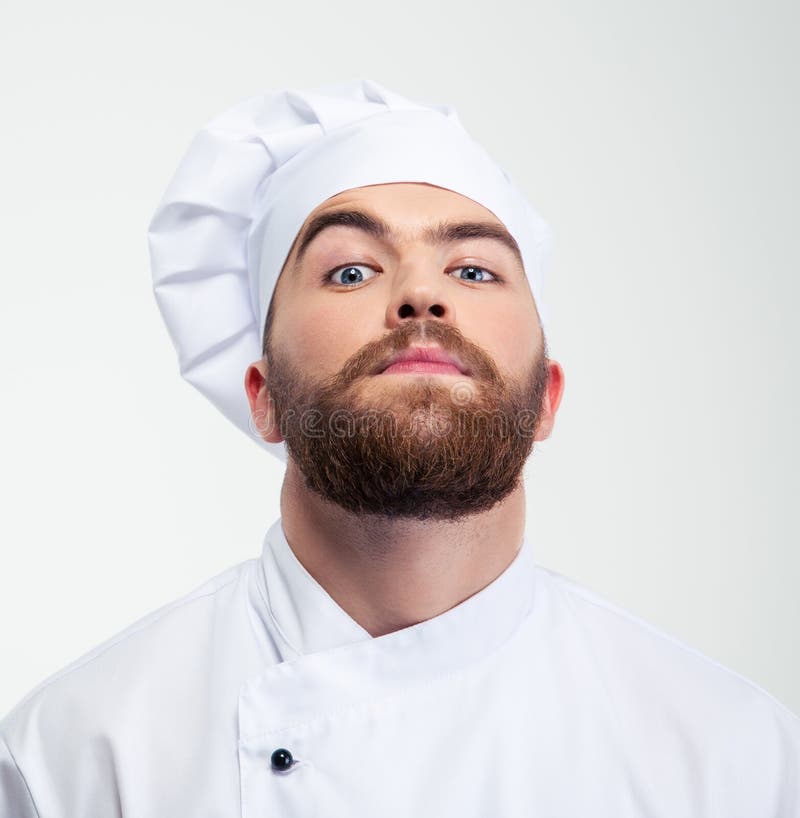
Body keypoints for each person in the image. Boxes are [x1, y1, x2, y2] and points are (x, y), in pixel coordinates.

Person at [1, 79, 798, 818]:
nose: (422, 294)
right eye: (351, 270)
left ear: (546, 397)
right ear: (264, 395)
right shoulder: (73, 758)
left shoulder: (733, 760)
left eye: (475, 270)